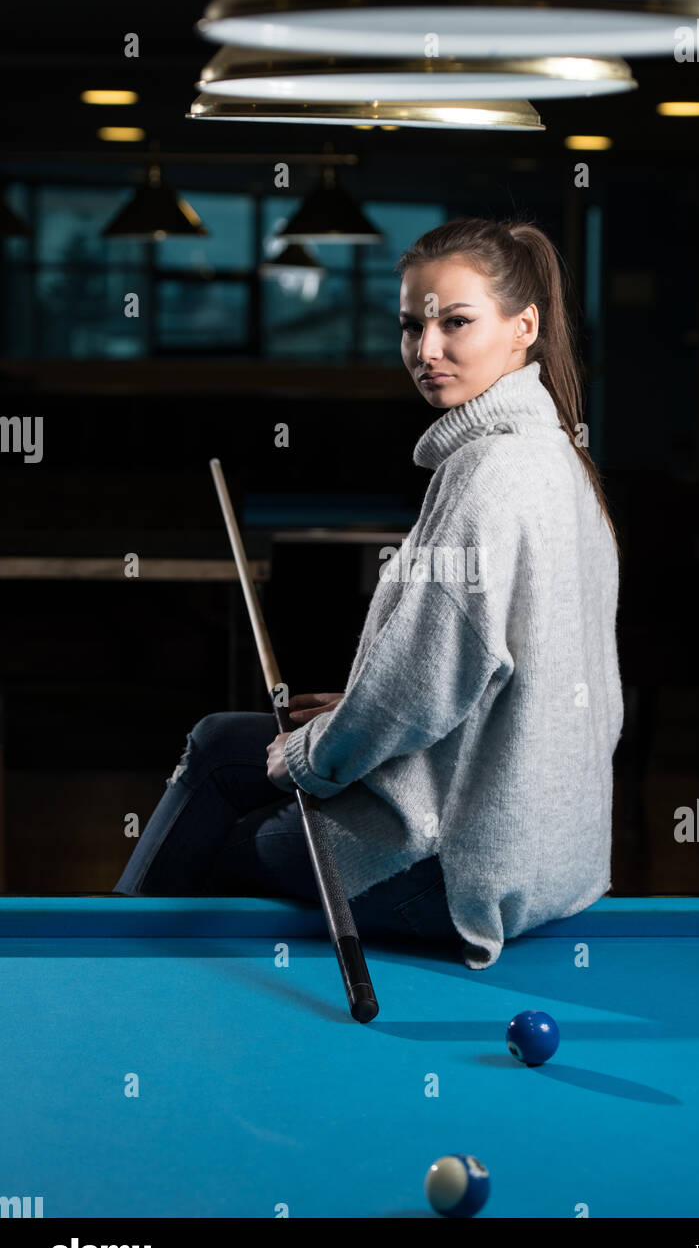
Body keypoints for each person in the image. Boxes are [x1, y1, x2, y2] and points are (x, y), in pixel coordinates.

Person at [114, 217, 624, 970]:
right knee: (223, 739)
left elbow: (417, 695)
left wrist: (314, 754)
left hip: (454, 870)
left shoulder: (490, 478)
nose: (426, 350)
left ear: (524, 328)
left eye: (456, 322)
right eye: (411, 325)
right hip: (550, 855)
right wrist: (345, 711)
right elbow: (491, 674)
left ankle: (116, 965)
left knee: (214, 837)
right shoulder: (555, 460)